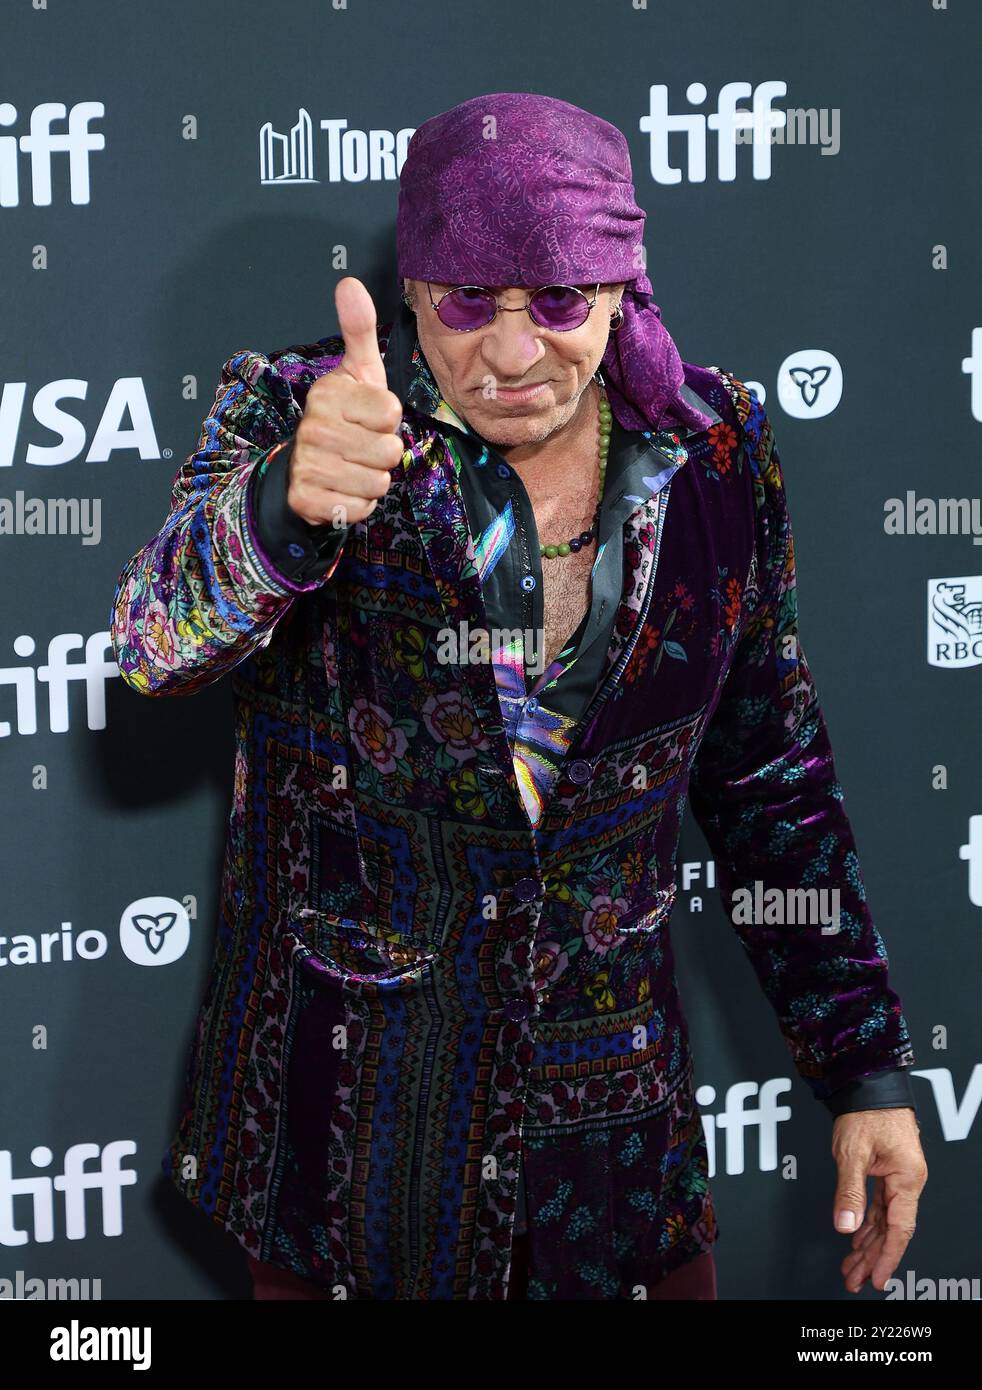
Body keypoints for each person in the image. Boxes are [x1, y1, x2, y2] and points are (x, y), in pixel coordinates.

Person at [110, 92, 927, 1301]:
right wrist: (282, 507)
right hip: (350, 1145)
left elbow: (770, 775)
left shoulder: (714, 451)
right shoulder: (309, 417)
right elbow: (148, 644)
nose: (509, 353)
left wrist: (862, 1068)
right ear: (413, 292)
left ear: (616, 288)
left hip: (614, 1150)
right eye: (465, 304)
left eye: (556, 302)